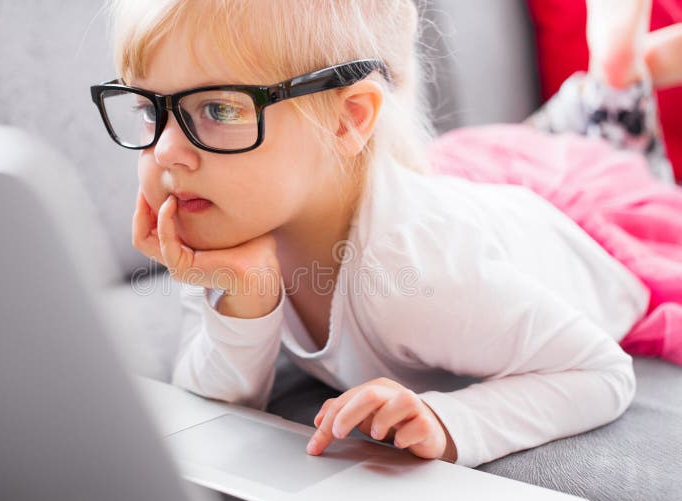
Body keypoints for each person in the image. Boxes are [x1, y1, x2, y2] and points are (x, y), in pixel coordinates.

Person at [91, 0, 682, 469]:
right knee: (564, 135)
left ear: (349, 120)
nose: (165, 150)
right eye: (149, 110)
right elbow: (212, 410)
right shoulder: (230, 217)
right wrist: (244, 303)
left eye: (218, 110)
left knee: (604, 145)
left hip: (582, 228)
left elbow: (600, 372)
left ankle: (615, 71)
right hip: (475, 195)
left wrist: (451, 422)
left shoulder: (414, 272)